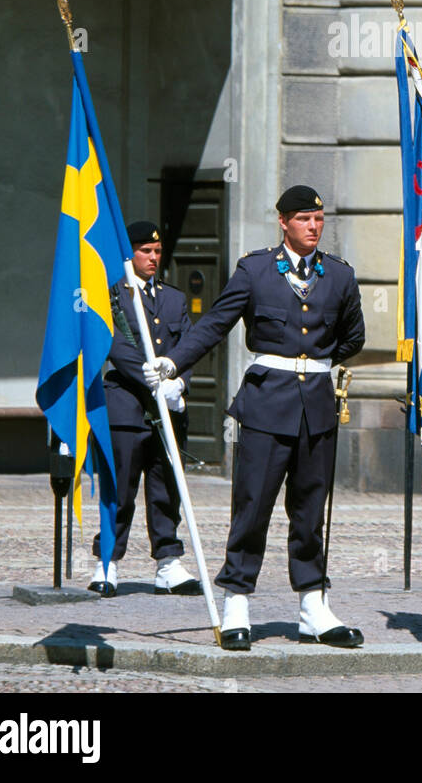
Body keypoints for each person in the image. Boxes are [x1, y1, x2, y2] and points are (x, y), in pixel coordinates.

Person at [143, 186, 365, 651]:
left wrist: (316, 365)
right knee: (252, 507)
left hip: (317, 408)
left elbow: (353, 337)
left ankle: (312, 606)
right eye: (304, 218)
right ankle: (237, 602)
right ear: (282, 222)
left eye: (319, 219)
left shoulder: (340, 275)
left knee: (310, 512)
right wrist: (174, 363)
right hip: (267, 405)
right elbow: (214, 325)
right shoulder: (256, 269)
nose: (313, 226)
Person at [88, 221, 201, 598]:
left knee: (165, 487)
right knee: (120, 488)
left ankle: (168, 563)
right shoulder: (113, 296)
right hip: (127, 406)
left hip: (167, 407)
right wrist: (150, 378)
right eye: (145, 251)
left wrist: (178, 383)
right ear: (130, 254)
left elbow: (189, 345)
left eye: (157, 251)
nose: (153, 258)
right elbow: (115, 347)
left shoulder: (173, 298)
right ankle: (108, 560)